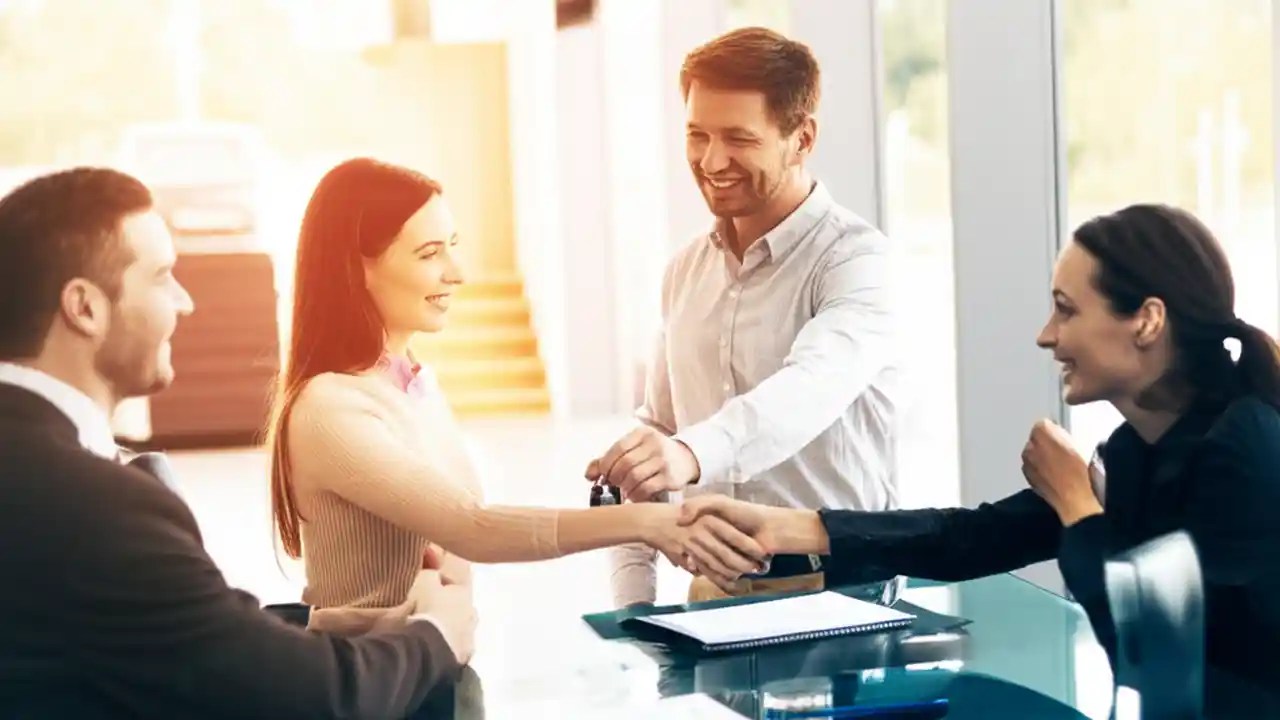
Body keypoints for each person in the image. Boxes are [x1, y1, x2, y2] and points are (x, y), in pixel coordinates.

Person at [677, 204, 1280, 708]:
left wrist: (1074, 503)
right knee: (961, 697)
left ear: (1146, 321)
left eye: (1067, 309)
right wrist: (790, 529)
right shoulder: (1134, 452)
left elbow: (1154, 653)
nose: (1047, 335)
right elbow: (970, 537)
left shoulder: (1248, 450)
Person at [0, 167, 478, 718]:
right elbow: (308, 700)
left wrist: (303, 629)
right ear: (84, 307)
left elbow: (157, 632)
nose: (185, 303)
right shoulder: (96, 505)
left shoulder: (39, 471)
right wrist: (436, 635)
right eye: (161, 278)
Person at [267, 158, 765, 621]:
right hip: (367, 687)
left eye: (453, 245)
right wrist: (647, 523)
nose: (456, 273)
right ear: (357, 267)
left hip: (430, 665)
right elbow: (473, 527)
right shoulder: (329, 407)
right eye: (428, 253)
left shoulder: (411, 384)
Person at [586, 27, 903, 607]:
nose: (711, 160)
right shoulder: (685, 271)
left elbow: (809, 388)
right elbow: (659, 433)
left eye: (738, 138)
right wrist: (633, 602)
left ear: (801, 138)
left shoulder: (857, 261)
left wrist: (689, 453)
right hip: (713, 595)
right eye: (697, 135)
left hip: (841, 591)